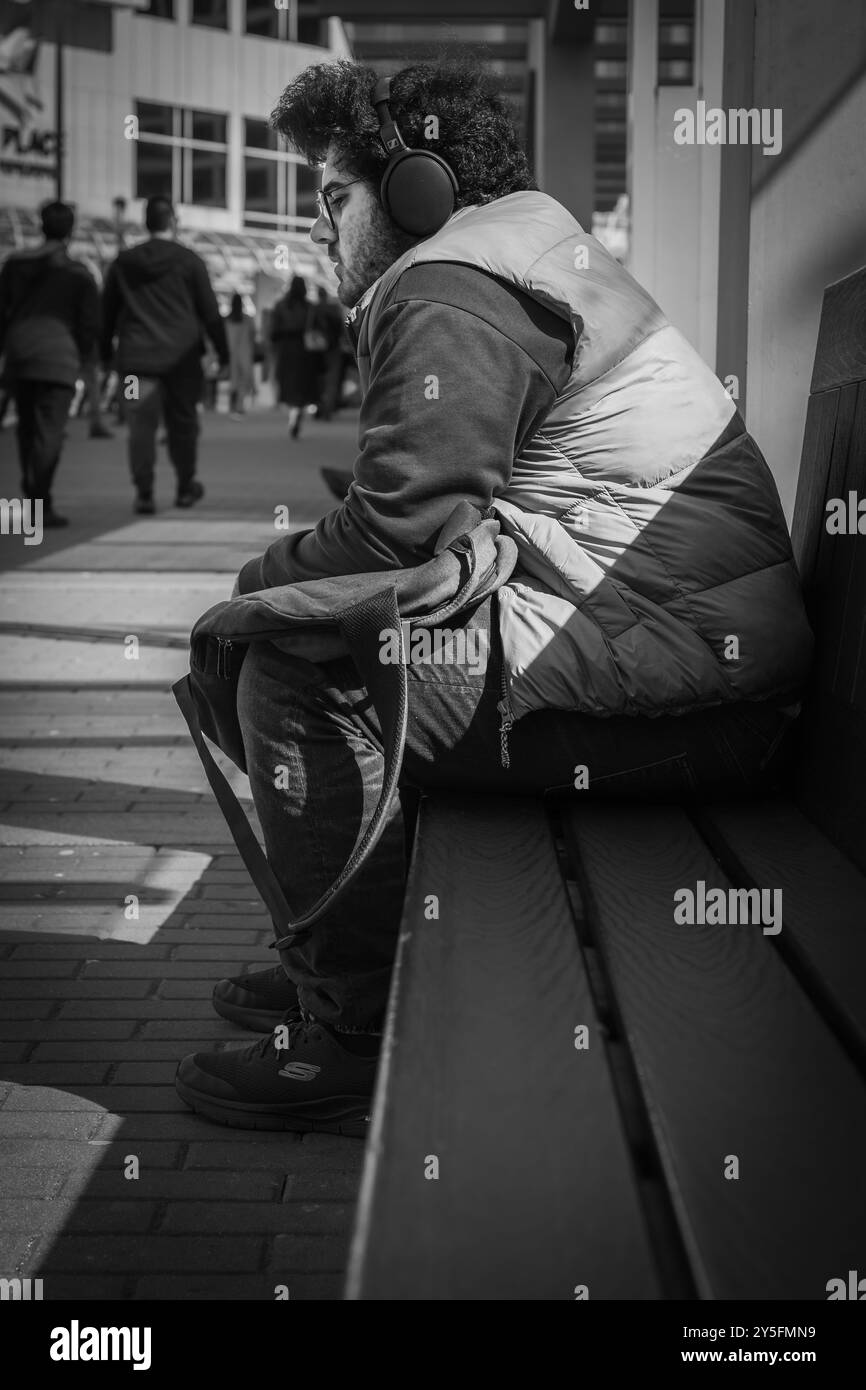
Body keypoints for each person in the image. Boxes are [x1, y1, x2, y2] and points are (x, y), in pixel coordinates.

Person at [175, 57, 813, 1132]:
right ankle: (338, 953)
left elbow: (394, 524)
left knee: (295, 670)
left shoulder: (449, 287)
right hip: (680, 657)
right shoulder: (516, 249)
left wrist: (243, 599)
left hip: (704, 700)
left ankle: (352, 1031)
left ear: (415, 186)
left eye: (333, 194)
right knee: (318, 637)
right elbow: (438, 514)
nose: (318, 223)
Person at [100, 194, 228, 515]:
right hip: (182, 361)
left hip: (135, 362)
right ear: (172, 221)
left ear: (146, 222)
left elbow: (106, 315)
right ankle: (185, 488)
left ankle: (144, 493)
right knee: (183, 423)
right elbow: (210, 313)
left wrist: (105, 357)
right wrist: (223, 354)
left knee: (139, 426)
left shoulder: (123, 263)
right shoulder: (190, 261)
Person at [0, 200, 99, 528]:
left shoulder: (14, 264)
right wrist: (85, 359)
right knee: (50, 434)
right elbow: (88, 325)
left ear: (41, 226)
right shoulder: (78, 274)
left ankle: (32, 499)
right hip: (58, 358)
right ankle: (39, 505)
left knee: (27, 430)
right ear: (70, 231)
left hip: (20, 355)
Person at [269, 274, 317, 438]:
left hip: (286, 349)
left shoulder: (281, 306)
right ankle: (297, 414)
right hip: (304, 350)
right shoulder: (309, 307)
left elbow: (273, 332)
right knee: (302, 385)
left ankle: (293, 414)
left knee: (289, 384)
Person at [313, 285, 345, 420]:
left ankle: (320, 406)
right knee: (332, 379)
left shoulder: (314, 309)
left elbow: (310, 327)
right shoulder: (334, 308)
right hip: (334, 347)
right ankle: (329, 408)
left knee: (319, 380)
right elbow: (342, 328)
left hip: (317, 349)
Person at [224, 292, 256, 418]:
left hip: (231, 352)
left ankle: (232, 405)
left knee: (234, 379)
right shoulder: (247, 320)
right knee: (243, 379)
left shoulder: (227, 320)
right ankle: (239, 405)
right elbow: (252, 336)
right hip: (244, 352)